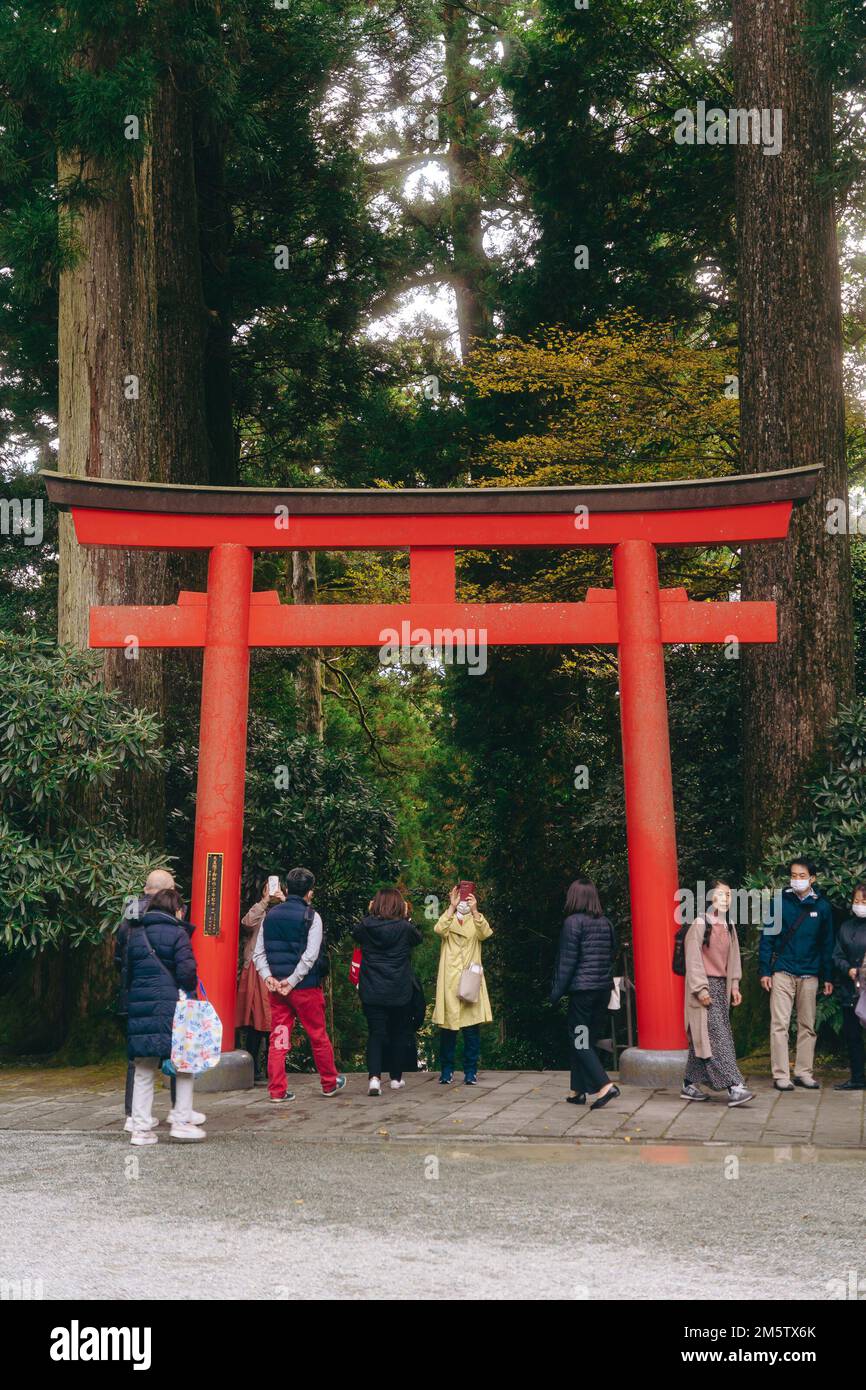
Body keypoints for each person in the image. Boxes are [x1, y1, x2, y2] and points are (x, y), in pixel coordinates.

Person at [115, 868, 200, 1132]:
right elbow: (187, 972)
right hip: (170, 1000)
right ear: (169, 893)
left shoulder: (131, 920)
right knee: (181, 1057)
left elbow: (121, 960)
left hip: (137, 997)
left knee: (141, 1062)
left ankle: (136, 1121)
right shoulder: (176, 929)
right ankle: (180, 1115)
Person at [253, 866, 346, 1101]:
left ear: (286, 888)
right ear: (310, 892)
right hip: (305, 990)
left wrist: (269, 978)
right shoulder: (312, 917)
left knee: (280, 1037)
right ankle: (328, 1082)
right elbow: (310, 956)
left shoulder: (270, 916)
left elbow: (259, 953)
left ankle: (277, 1090)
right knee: (317, 1034)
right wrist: (292, 982)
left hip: (278, 991)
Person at [759, 857, 834, 1092]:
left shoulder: (822, 906)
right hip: (782, 970)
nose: (797, 880)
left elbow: (827, 944)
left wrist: (828, 976)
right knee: (779, 1024)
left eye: (802, 876)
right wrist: (765, 970)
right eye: (794, 875)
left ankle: (804, 1072)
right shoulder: (779, 902)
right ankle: (781, 1075)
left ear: (812, 878)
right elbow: (767, 938)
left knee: (807, 1025)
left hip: (810, 973)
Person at [549, 876, 620, 1110]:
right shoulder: (606, 923)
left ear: (574, 897)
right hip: (603, 991)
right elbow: (612, 955)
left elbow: (566, 963)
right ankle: (577, 1091)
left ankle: (605, 1086)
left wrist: (555, 993)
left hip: (583, 994)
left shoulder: (573, 923)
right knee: (586, 1041)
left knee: (579, 1040)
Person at [681, 880, 754, 1107]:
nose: (725, 899)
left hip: (721, 988)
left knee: (706, 1038)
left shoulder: (729, 924)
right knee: (718, 1038)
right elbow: (693, 960)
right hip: (702, 988)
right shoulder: (700, 923)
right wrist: (701, 989)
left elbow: (734, 959)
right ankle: (735, 1086)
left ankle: (689, 1083)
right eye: (720, 895)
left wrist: (734, 986)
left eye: (728, 896)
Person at [353, 887, 422, 1096]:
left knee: (376, 1033)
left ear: (376, 904)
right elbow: (418, 938)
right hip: (399, 989)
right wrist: (407, 917)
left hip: (372, 989)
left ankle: (374, 1079)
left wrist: (368, 913)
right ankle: (395, 1078)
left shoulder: (366, 925)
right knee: (398, 1033)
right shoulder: (404, 927)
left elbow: (355, 934)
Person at [433, 884, 492, 1085]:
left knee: (471, 1030)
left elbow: (486, 933)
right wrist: (451, 907)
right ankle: (447, 1071)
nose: (463, 901)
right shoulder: (448, 920)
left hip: (469, 980)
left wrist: (475, 911)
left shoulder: (475, 921)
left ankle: (470, 1072)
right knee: (448, 1030)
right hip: (450, 979)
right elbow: (438, 928)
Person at [236, 878, 284, 1082]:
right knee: (255, 1019)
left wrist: (285, 901)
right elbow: (246, 923)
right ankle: (253, 1065)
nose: (272, 891)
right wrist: (265, 901)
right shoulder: (260, 910)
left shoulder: (285, 909)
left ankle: (274, 1066)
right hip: (255, 969)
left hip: (279, 969)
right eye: (269, 887)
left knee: (276, 1018)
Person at [831, 882, 866, 1092]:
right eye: (857, 900)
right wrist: (849, 969)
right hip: (850, 989)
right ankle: (857, 1077)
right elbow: (837, 954)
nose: (860, 904)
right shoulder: (846, 927)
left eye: (864, 900)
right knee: (852, 1036)